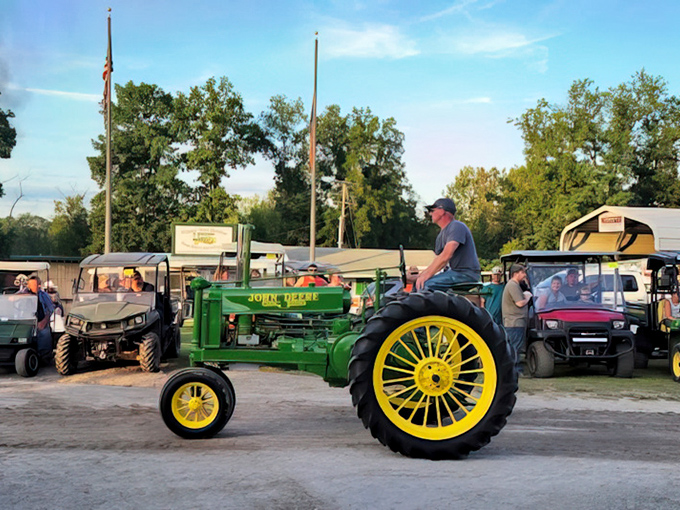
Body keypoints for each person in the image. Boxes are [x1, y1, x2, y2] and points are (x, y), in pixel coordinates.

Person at [414, 198, 481, 291]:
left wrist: (426, 277)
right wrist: (420, 276)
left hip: (465, 274)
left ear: (441, 211)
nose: (430, 214)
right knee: (418, 285)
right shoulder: (440, 235)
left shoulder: (457, 226)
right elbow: (438, 261)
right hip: (453, 273)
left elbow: (446, 255)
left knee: (426, 285)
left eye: (432, 210)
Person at [502, 264, 532, 374]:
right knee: (515, 348)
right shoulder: (513, 285)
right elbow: (519, 303)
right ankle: (514, 371)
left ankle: (513, 370)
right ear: (516, 273)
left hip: (514, 322)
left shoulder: (514, 285)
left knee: (513, 347)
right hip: (514, 322)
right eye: (522, 272)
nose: (524, 275)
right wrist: (527, 297)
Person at [20, 276, 55, 364]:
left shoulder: (44, 295)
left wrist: (44, 322)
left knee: (44, 332)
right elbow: (12, 299)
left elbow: (50, 309)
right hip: (25, 321)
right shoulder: (22, 293)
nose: (36, 286)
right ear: (28, 285)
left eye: (37, 284)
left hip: (40, 320)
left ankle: (44, 356)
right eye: (33, 284)